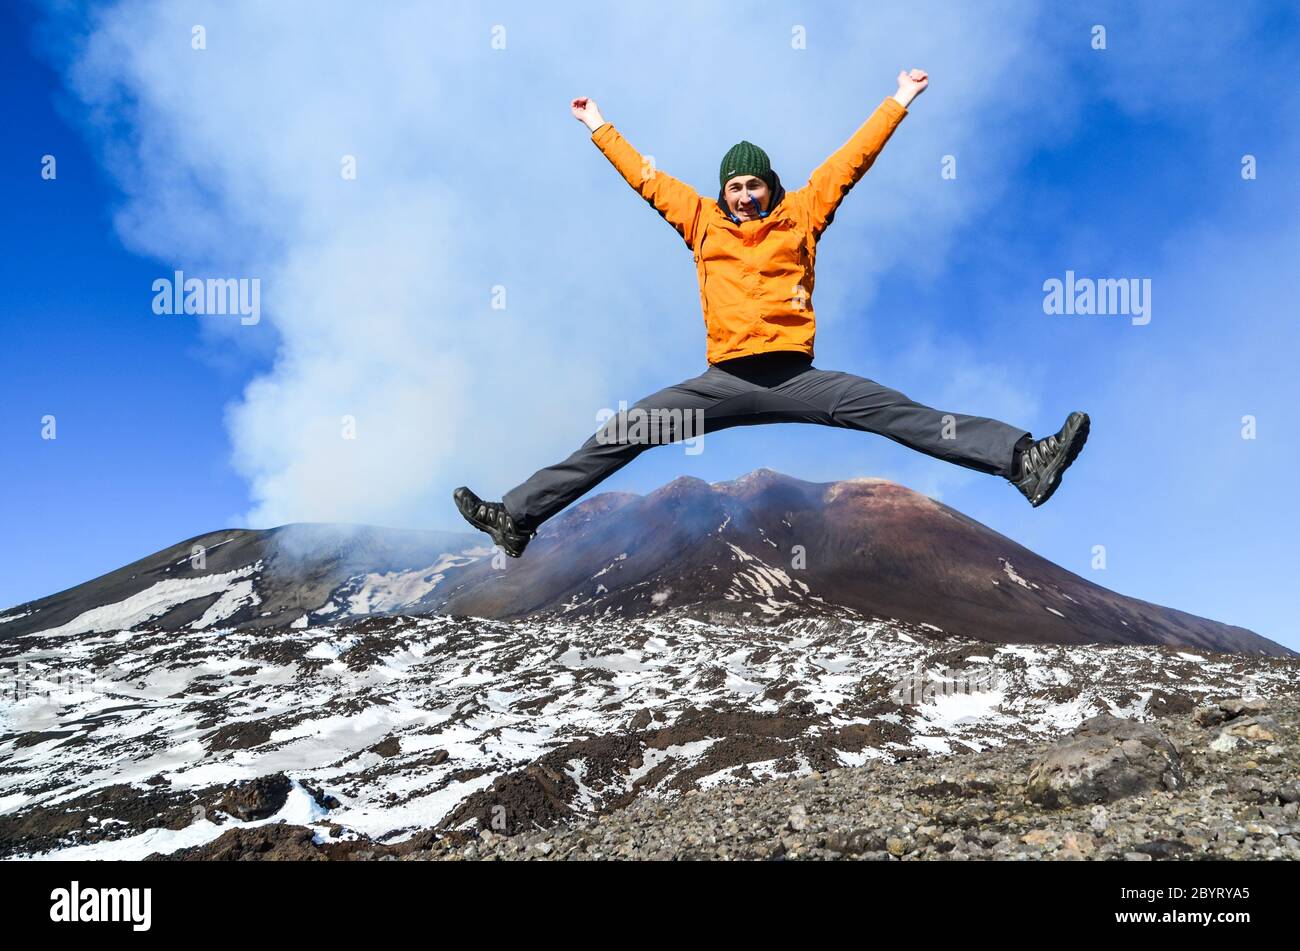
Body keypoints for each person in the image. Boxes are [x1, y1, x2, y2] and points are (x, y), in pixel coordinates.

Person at [454, 69, 1089, 558]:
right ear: (722, 191)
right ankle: (516, 518)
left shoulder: (803, 215)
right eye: (734, 186)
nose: (744, 194)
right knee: (627, 429)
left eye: (754, 184)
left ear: (770, 186)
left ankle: (1023, 462)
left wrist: (899, 99)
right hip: (723, 383)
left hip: (796, 379)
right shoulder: (700, 221)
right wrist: (598, 125)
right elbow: (645, 178)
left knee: (896, 411)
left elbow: (851, 161)